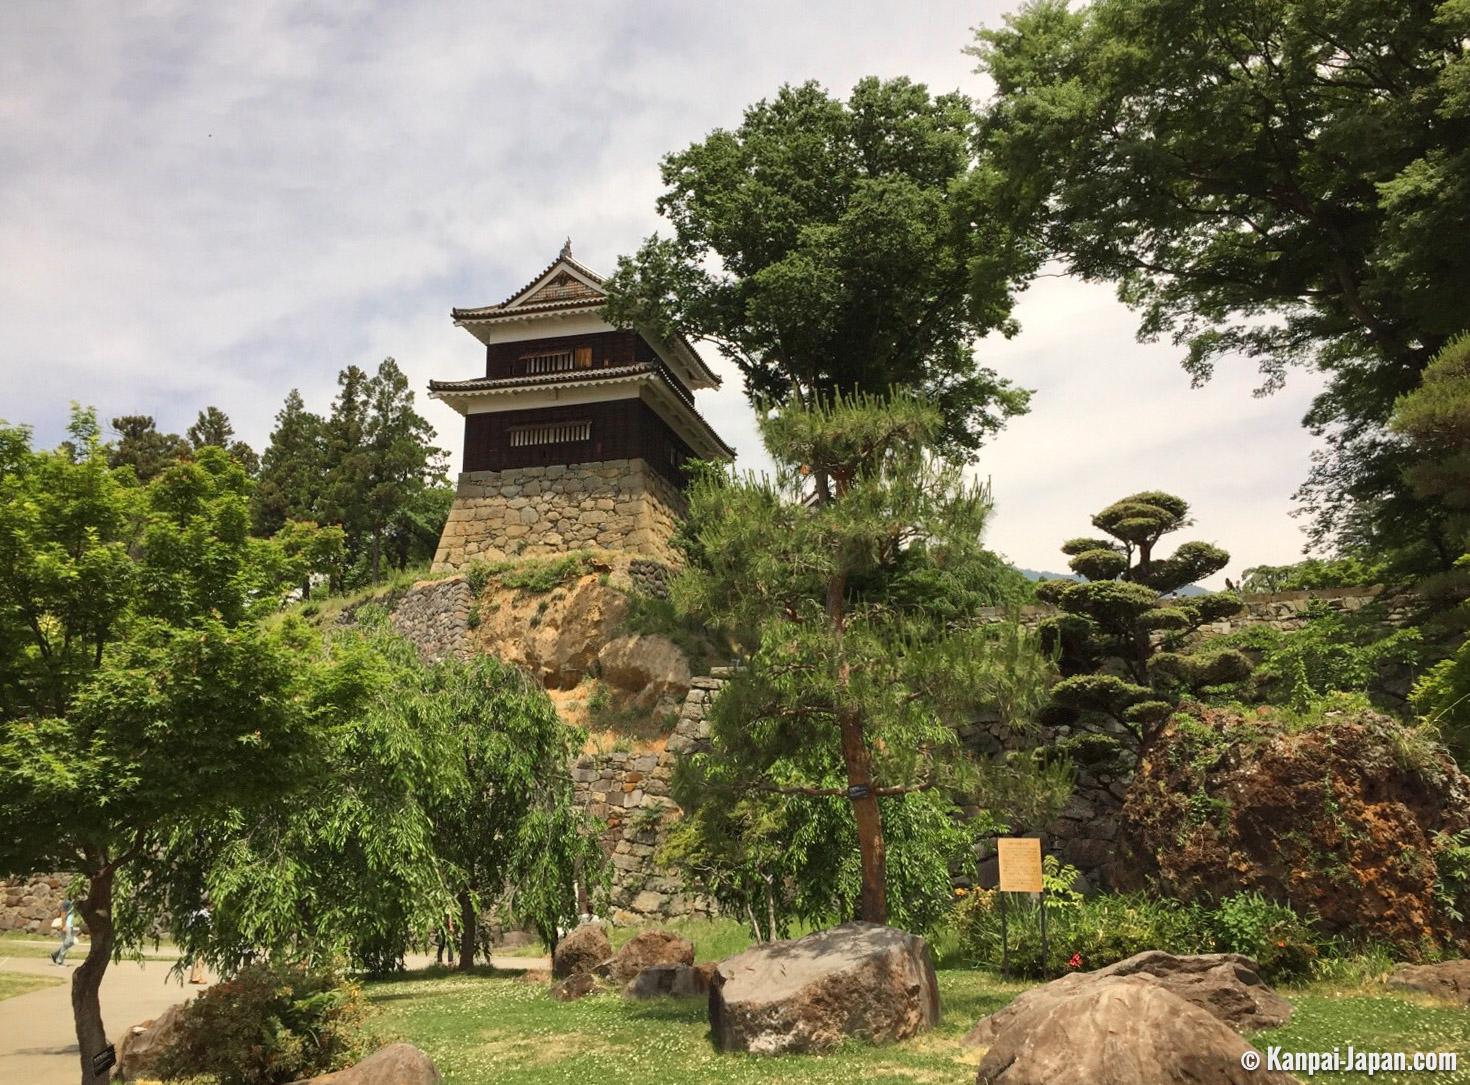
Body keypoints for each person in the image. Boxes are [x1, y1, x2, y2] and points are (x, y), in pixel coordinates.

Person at [50, 900, 76, 966]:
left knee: (71, 942)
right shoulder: (66, 903)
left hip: (70, 925)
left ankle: (55, 954)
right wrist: (64, 926)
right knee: (67, 943)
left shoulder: (72, 904)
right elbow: (63, 915)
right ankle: (59, 961)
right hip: (67, 926)